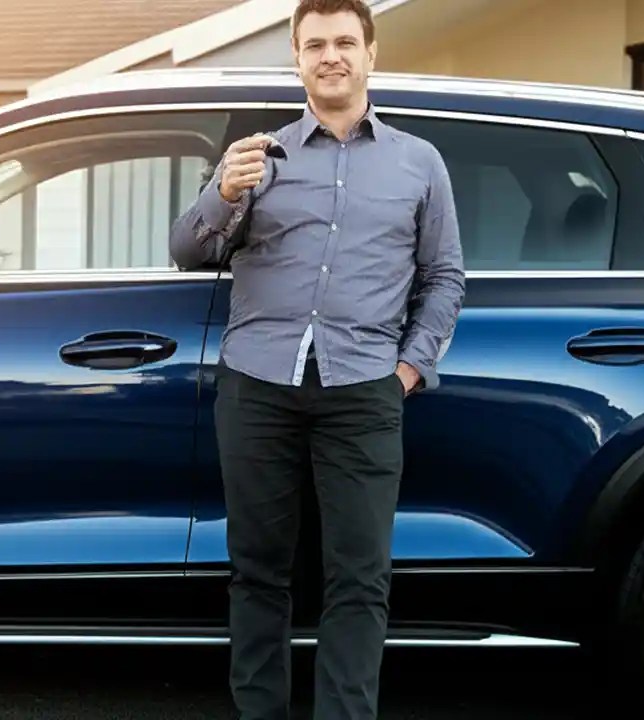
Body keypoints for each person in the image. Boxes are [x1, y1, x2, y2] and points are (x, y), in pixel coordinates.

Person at [169, 0, 465, 718]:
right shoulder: (256, 155)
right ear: (296, 59)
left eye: (343, 42)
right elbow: (187, 251)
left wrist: (407, 370)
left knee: (360, 577)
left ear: (370, 53)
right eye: (314, 45)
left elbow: (445, 276)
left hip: (364, 389)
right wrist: (221, 192)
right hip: (257, 386)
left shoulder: (418, 163)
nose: (330, 56)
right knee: (258, 572)